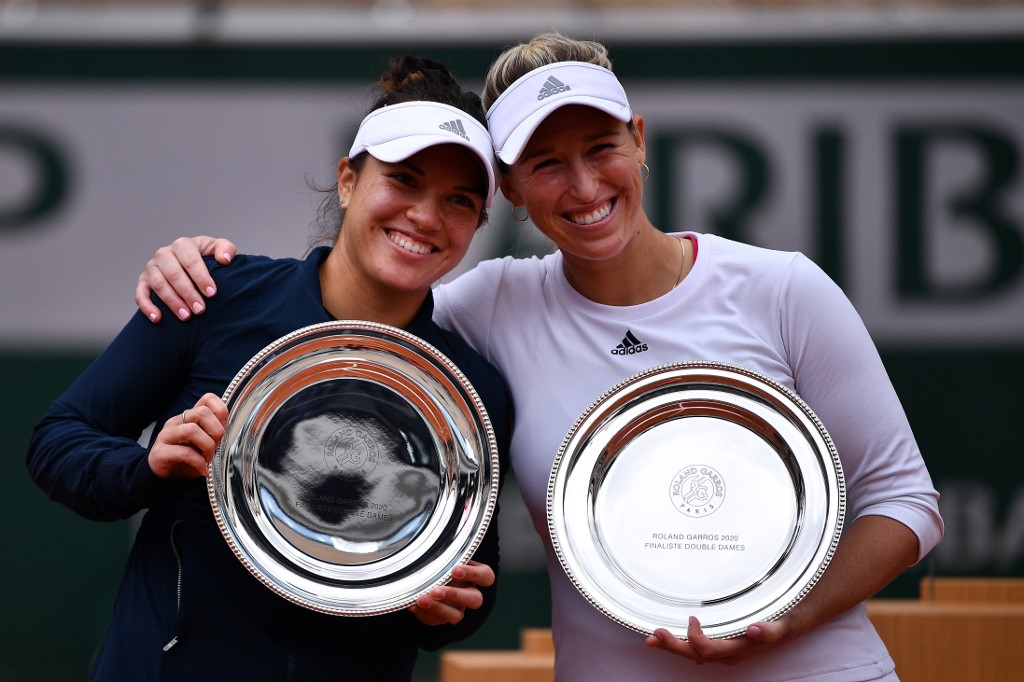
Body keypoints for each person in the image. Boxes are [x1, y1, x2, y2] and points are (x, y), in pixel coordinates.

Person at [132, 33, 943, 681]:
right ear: (511, 191)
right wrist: (212, 270)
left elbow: (907, 503)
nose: (584, 186)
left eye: (601, 148)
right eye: (546, 164)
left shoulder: (783, 289)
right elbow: (348, 304)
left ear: (640, 140)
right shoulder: (488, 306)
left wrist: (787, 619)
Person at [27, 56, 513, 682]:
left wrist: (444, 607)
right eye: (404, 181)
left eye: (460, 201)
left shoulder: (469, 388)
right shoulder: (214, 294)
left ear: (477, 224)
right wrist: (146, 468)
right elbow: (58, 441)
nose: (425, 216)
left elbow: (472, 584)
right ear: (347, 180)